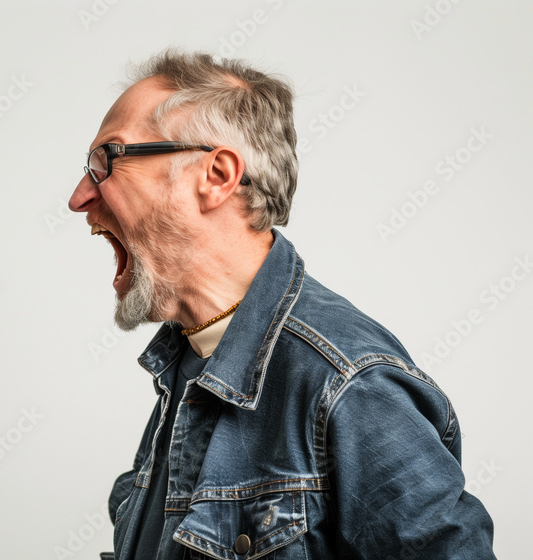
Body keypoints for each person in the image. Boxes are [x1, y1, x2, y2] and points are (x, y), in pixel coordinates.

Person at [68, 50, 496, 559]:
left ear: (218, 175)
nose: (78, 197)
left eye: (106, 161)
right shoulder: (190, 357)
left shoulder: (351, 384)